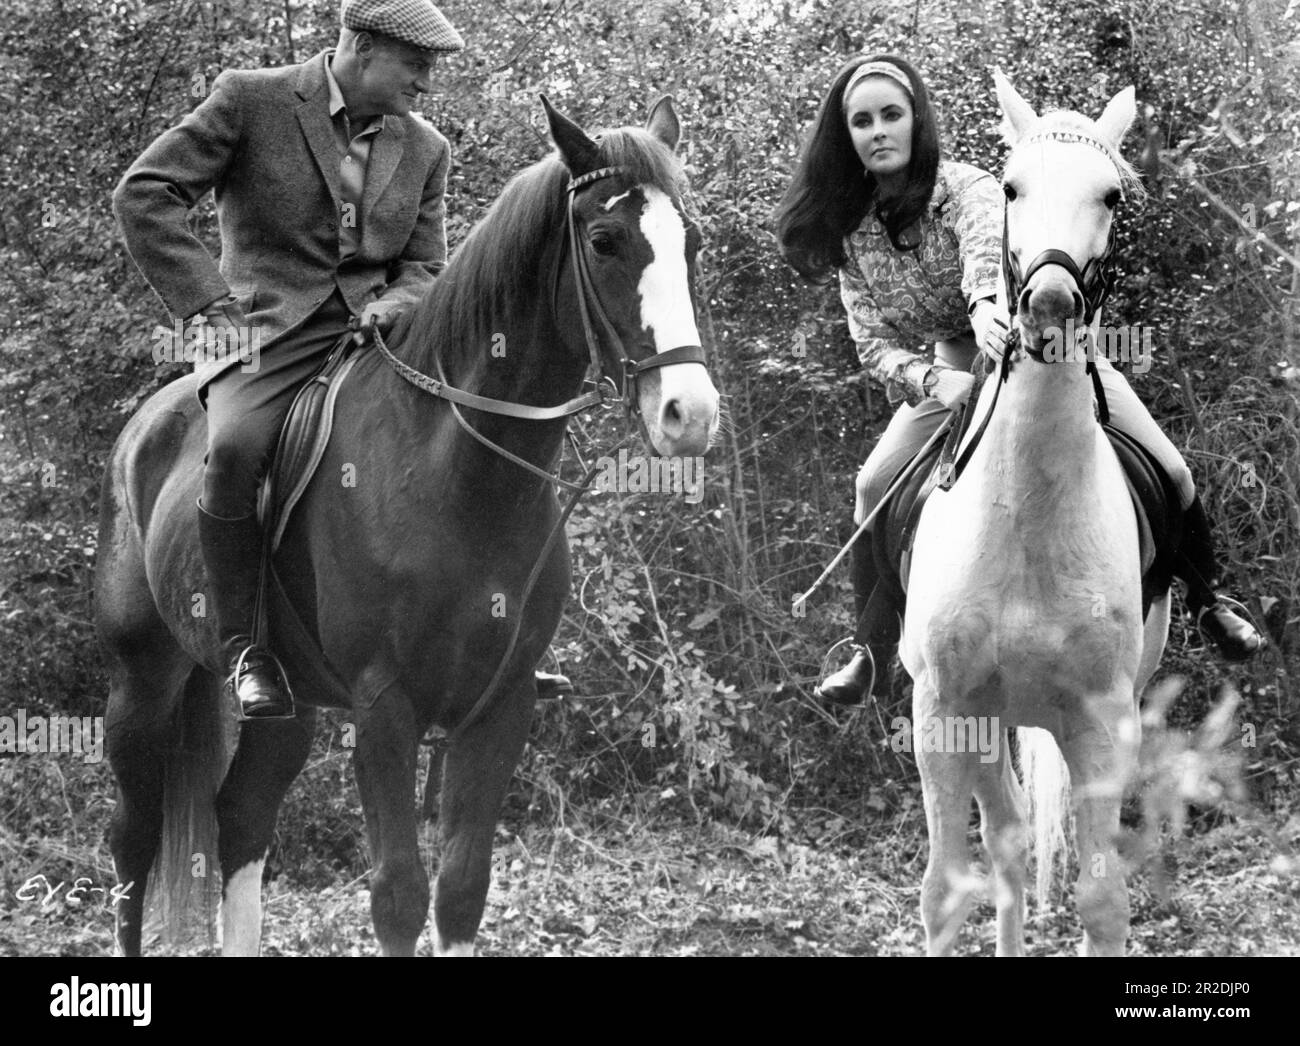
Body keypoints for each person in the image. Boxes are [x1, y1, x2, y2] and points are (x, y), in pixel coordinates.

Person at [114, 0, 570, 718]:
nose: (426, 83)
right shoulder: (250, 99)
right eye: (415, 64)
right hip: (267, 335)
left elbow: (426, 265)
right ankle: (244, 650)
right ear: (361, 47)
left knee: (472, 449)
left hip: (380, 340)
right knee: (232, 452)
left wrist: (397, 302)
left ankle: (487, 645)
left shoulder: (426, 148)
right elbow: (146, 194)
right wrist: (207, 304)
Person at [775, 54, 1264, 705]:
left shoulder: (969, 187)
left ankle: (1206, 600)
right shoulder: (853, 231)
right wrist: (931, 379)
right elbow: (872, 341)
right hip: (948, 373)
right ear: (849, 137)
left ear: (917, 122)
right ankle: (868, 648)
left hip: (1049, 351)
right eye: (863, 121)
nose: (879, 130)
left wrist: (987, 315)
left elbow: (986, 266)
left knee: (1173, 470)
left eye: (892, 114)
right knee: (871, 485)